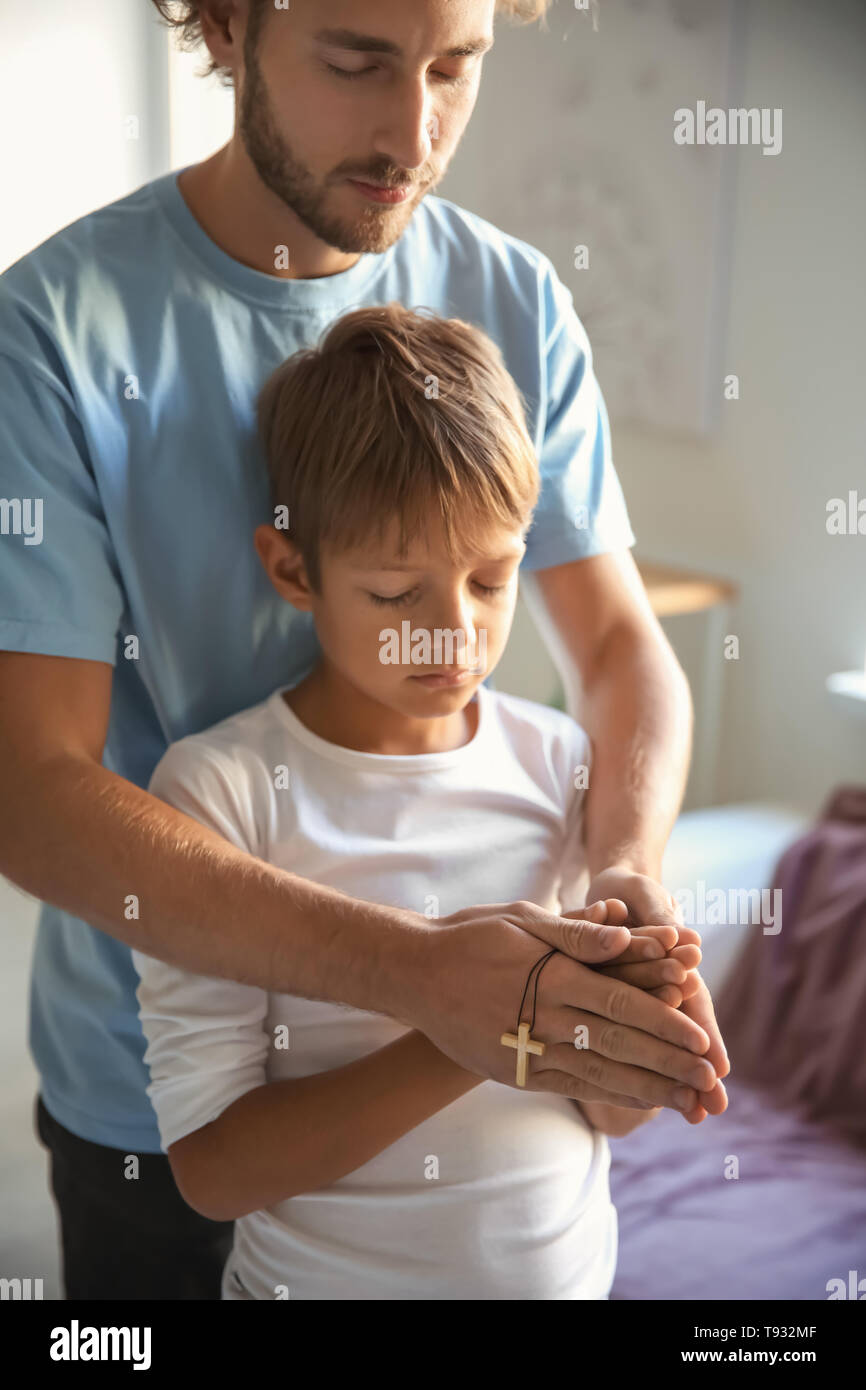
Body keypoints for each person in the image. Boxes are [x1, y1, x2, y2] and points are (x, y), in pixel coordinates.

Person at [0, 0, 727, 1300]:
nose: (414, 131)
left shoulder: (513, 295)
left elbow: (618, 648)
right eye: (356, 62)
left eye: (457, 66)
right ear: (227, 26)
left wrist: (617, 877)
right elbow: (27, 790)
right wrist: (426, 984)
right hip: (159, 1089)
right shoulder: (52, 334)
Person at [131, 303, 721, 1301]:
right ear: (293, 569)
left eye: (490, 580)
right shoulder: (218, 796)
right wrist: (473, 1026)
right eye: (398, 594)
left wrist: (649, 1038)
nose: (451, 633)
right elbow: (216, 1170)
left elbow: (605, 1115)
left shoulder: (560, 765)